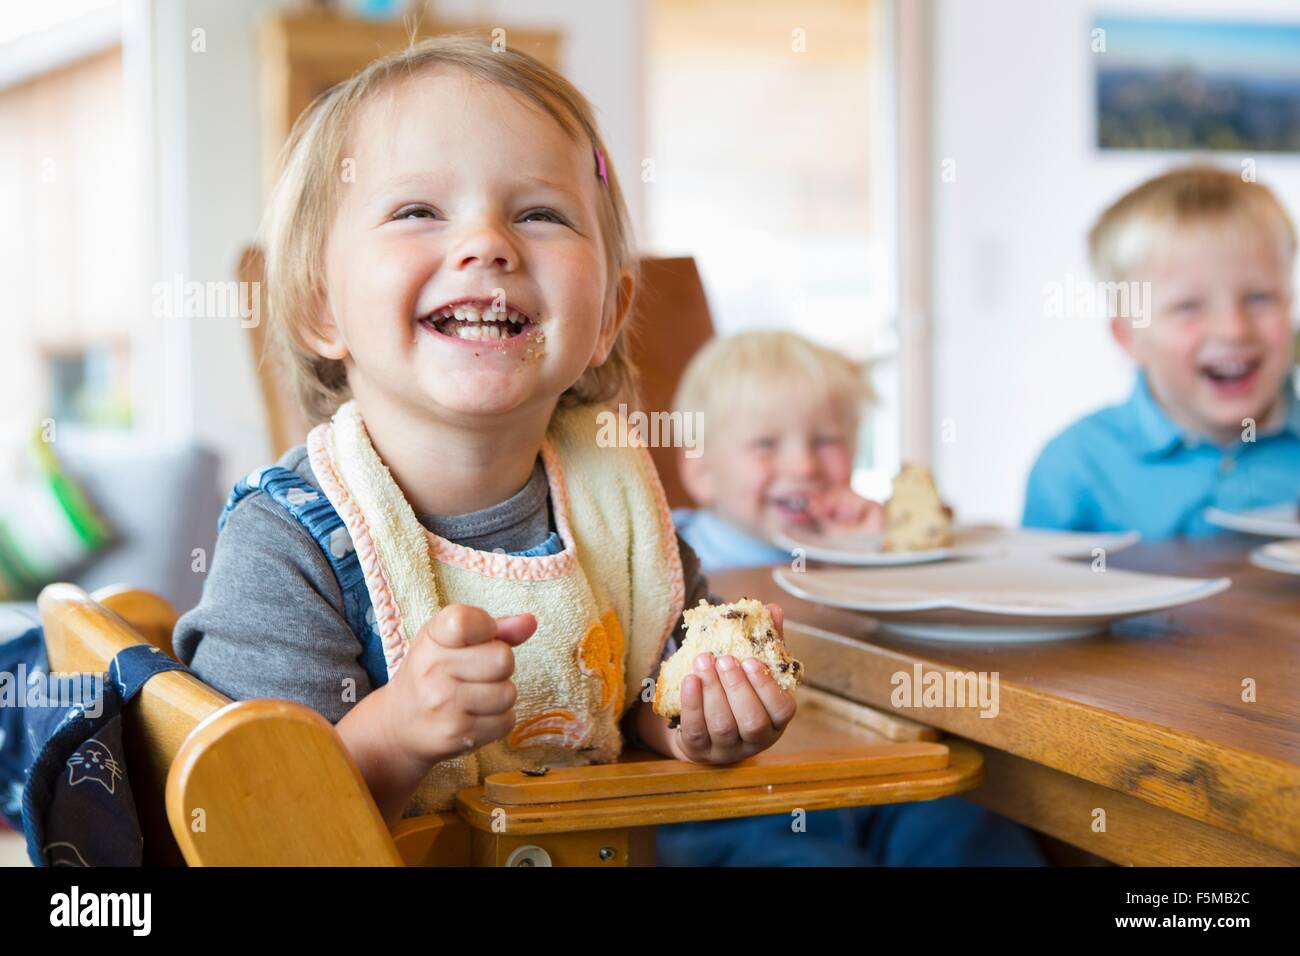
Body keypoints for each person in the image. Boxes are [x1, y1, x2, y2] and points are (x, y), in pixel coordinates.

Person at [173, 37, 796, 827]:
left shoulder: (619, 498)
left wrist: (699, 717)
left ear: (607, 315)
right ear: (320, 306)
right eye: (417, 211)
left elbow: (647, 691)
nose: (488, 245)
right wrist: (396, 734)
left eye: (539, 213)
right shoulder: (288, 544)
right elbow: (250, 813)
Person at [656, 331, 1047, 865]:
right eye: (766, 445)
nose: (803, 467)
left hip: (875, 773)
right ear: (700, 470)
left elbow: (930, 640)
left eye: (825, 441)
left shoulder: (856, 544)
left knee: (968, 823)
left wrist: (877, 560)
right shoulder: (665, 551)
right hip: (734, 800)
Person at [1024, 165, 1300, 537]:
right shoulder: (1076, 465)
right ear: (1128, 337)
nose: (1233, 329)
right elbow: (1038, 592)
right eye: (1189, 306)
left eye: (1258, 298)